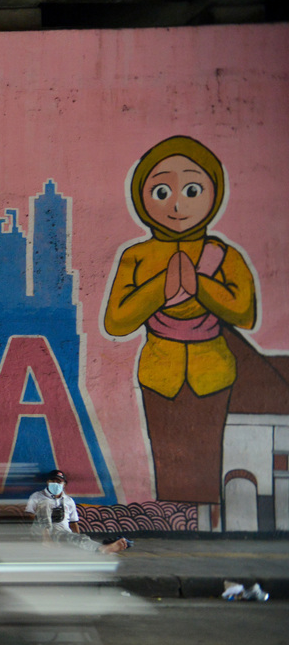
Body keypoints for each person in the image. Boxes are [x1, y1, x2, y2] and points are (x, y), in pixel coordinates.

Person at [102, 136, 256, 505]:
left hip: (214, 370)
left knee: (208, 451)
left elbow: (244, 313)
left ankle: (209, 515)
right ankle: (172, 514)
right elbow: (116, 322)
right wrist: (160, 286)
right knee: (165, 455)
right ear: (142, 196)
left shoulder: (224, 254)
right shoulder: (136, 256)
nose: (176, 204)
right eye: (160, 191)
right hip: (159, 371)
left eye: (191, 189)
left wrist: (199, 285)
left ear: (213, 194)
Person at [26, 470, 131, 554]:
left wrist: (77, 538)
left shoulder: (69, 501)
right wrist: (44, 517)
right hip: (40, 532)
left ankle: (101, 548)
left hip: (59, 533)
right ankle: (46, 540)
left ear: (64, 484)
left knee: (76, 538)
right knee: (46, 503)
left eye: (59, 482)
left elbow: (73, 523)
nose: (55, 484)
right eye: (52, 481)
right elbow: (29, 514)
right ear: (47, 482)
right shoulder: (37, 496)